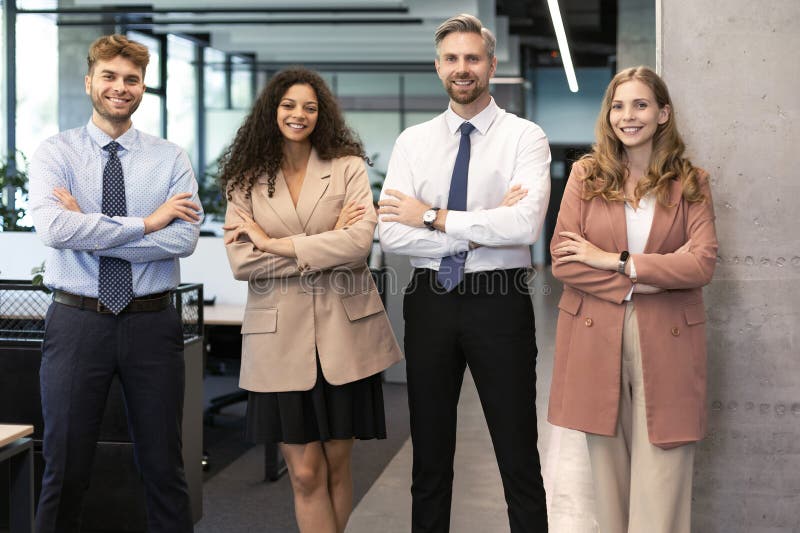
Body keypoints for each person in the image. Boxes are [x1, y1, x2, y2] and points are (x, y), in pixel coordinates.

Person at [378, 14, 551, 533]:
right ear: (438, 67)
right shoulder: (414, 141)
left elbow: (524, 224)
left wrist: (432, 215)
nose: (462, 68)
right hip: (429, 298)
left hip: (500, 301)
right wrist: (485, 224)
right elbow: (392, 234)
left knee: (517, 452)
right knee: (429, 453)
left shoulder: (526, 136)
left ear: (491, 66)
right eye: (452, 59)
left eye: (472, 58)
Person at [28, 34, 201, 532]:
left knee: (165, 467)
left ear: (143, 87)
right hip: (77, 322)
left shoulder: (170, 158)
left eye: (131, 79)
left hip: (152, 325)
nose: (120, 87)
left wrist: (91, 227)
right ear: (89, 81)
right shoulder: (55, 154)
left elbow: (184, 240)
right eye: (109, 76)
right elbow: (54, 229)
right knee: (64, 467)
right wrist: (147, 223)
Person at [220, 67, 402, 533]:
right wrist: (325, 243)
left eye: (309, 107)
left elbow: (359, 245)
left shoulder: (347, 167)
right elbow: (242, 264)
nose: (298, 114)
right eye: (288, 105)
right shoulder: (244, 180)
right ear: (271, 111)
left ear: (322, 115)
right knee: (304, 473)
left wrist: (274, 242)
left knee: (338, 466)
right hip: (279, 340)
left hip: (346, 334)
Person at [548, 66, 718, 533]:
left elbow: (701, 264)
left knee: (664, 472)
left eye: (641, 104)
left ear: (663, 113)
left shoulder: (691, 183)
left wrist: (614, 261)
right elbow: (564, 261)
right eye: (618, 106)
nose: (628, 116)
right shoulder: (586, 176)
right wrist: (654, 273)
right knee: (608, 477)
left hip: (669, 335)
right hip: (594, 335)